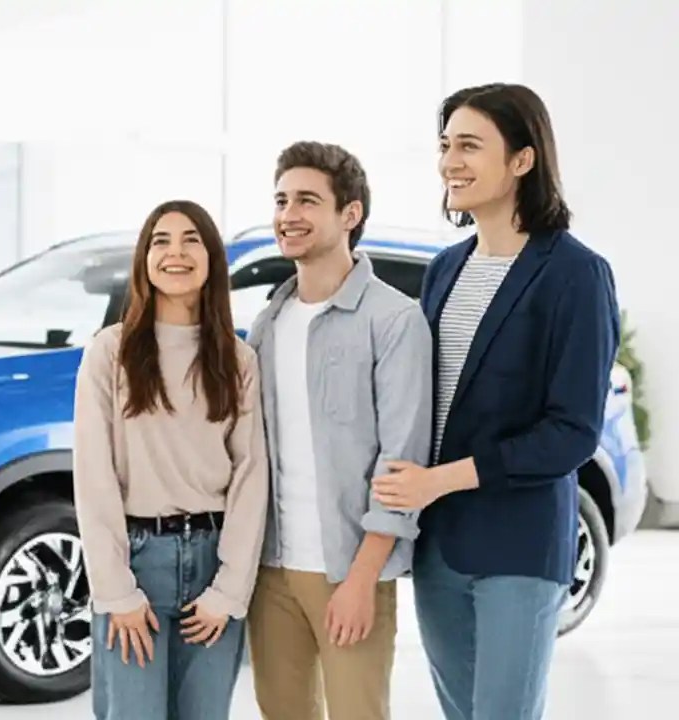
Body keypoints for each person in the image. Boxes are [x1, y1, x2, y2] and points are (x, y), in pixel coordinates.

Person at [373, 83, 620, 720]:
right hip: (439, 545)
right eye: (445, 145)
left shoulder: (574, 274)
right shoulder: (444, 269)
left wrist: (439, 481)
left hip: (518, 542)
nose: (450, 161)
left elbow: (571, 432)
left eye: (470, 146)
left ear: (522, 160)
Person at [243, 141, 433, 720]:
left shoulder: (394, 320)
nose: (288, 215)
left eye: (306, 200)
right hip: (271, 570)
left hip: (350, 569)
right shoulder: (268, 323)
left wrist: (362, 579)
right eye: (281, 200)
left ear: (349, 215)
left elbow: (401, 464)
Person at [73, 199, 269, 719]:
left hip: (211, 564)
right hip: (136, 564)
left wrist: (228, 592)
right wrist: (117, 592)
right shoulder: (108, 353)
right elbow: (94, 479)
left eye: (190, 240)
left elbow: (251, 476)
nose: (175, 252)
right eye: (161, 240)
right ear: (143, 259)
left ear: (211, 261)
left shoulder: (238, 358)